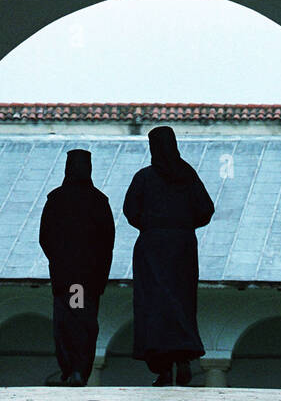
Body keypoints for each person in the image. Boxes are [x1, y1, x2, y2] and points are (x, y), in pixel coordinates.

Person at [123, 125, 215, 386]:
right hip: (183, 248)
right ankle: (182, 359)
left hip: (152, 249)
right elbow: (206, 210)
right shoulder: (187, 176)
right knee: (181, 303)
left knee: (154, 307)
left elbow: (130, 210)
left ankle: (162, 368)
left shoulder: (144, 177)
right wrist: (182, 225)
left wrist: (152, 225)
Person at [39, 148, 115, 386]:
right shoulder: (98, 200)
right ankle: (80, 370)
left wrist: (60, 260)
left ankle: (70, 369)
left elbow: (45, 237)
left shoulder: (57, 199)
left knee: (66, 323)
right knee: (83, 322)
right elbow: (108, 241)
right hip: (87, 278)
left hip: (66, 276)